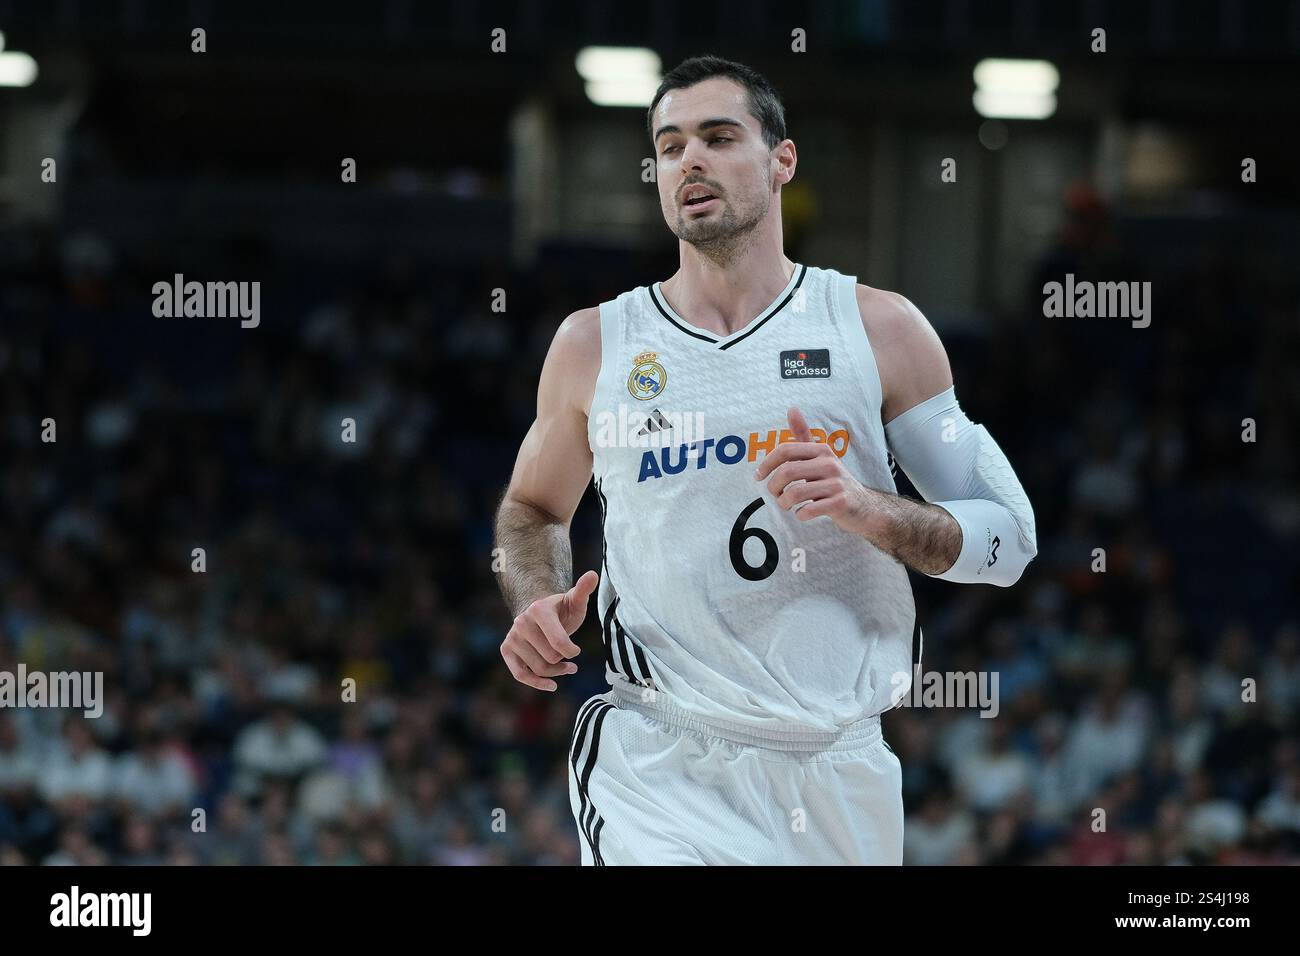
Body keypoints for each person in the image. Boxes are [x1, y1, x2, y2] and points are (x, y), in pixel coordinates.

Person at [493, 55, 1037, 865]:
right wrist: (532, 596)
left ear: (782, 161)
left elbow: (1011, 542)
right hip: (663, 755)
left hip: (839, 768)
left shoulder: (878, 329)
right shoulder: (594, 344)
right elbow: (532, 512)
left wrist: (871, 510)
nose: (691, 161)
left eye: (718, 137)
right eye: (671, 146)